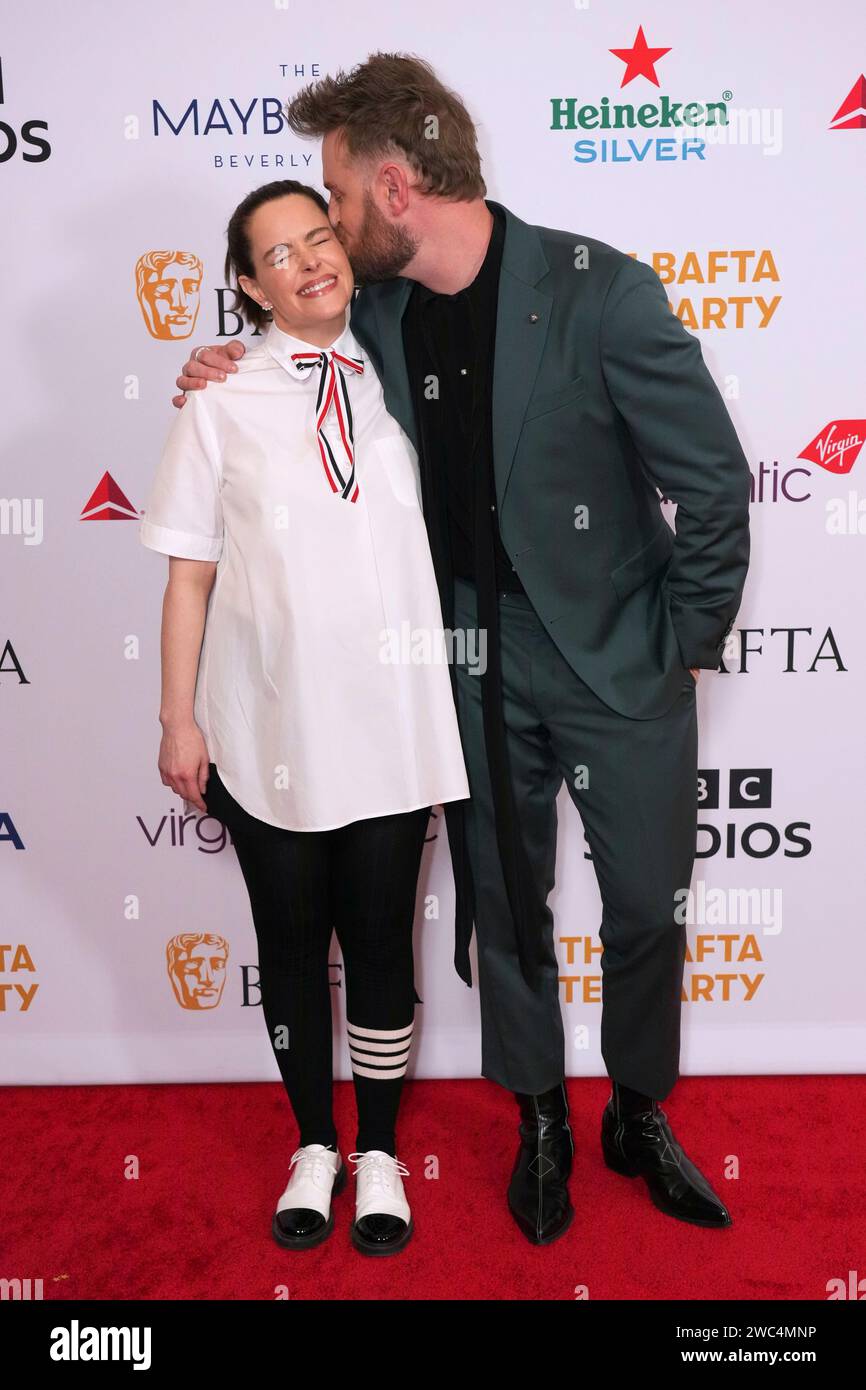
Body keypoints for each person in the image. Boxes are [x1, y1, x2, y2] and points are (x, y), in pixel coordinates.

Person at [173, 53, 751, 1246]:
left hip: (617, 660)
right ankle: (538, 1110)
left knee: (645, 905)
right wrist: (220, 356)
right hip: (463, 660)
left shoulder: (600, 290)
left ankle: (635, 1109)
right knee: (505, 901)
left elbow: (711, 486)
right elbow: (292, 377)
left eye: (334, 200)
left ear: (391, 188)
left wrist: (678, 646)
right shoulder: (372, 314)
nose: (324, 232)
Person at [141, 178, 470, 1255]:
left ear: (347, 248)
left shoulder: (409, 362)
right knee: (288, 948)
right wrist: (176, 721)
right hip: (265, 724)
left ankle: (377, 1150)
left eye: (319, 236)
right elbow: (187, 576)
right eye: (278, 253)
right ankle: (311, 1144)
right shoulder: (221, 396)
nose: (309, 259)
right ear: (248, 285)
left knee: (378, 942)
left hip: (389, 720)